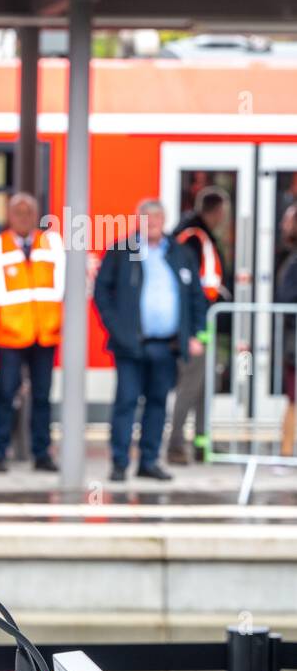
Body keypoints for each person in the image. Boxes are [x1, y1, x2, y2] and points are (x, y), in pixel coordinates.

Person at [94, 199, 207, 482]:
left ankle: (149, 460)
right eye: (148, 218)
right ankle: (120, 462)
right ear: (138, 220)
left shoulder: (179, 253)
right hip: (131, 343)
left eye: (158, 218)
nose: (153, 223)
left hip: (166, 344)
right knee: (126, 402)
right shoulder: (123, 250)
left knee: (158, 403)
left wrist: (194, 333)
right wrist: (117, 329)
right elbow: (102, 293)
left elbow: (195, 295)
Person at [0, 193, 65, 472]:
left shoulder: (53, 243)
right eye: (18, 212)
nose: (23, 217)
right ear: (9, 215)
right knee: (5, 394)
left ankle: (42, 454)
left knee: (42, 396)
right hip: (9, 334)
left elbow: (65, 286)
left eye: (29, 212)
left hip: (45, 334)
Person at [167, 187, 227, 464]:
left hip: (204, 325)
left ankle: (202, 443)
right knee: (190, 386)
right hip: (196, 327)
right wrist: (191, 330)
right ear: (216, 212)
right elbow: (191, 287)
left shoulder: (193, 235)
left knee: (204, 386)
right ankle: (175, 444)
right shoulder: (193, 238)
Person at [277, 203, 297, 459]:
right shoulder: (292, 261)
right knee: (294, 398)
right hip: (295, 341)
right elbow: (286, 297)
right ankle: (285, 451)